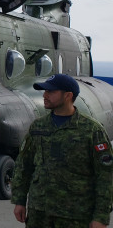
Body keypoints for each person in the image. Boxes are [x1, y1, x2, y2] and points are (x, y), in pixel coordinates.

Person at [11, 74, 112, 228]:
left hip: (76, 215)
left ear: (68, 96)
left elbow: (106, 176)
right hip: (40, 213)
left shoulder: (92, 130)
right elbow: (24, 165)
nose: (45, 95)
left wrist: (101, 216)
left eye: (51, 92)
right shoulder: (38, 127)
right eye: (45, 91)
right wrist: (19, 200)